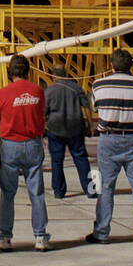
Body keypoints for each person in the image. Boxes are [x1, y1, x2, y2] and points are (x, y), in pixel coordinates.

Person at [86, 48, 133, 245]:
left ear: (111, 64)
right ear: (130, 65)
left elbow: (96, 108)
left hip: (108, 140)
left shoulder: (99, 85)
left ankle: (101, 233)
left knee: (106, 187)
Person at [0, 55, 50, 251]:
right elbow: (41, 114)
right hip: (33, 144)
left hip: (11, 145)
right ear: (28, 71)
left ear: (9, 72)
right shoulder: (38, 91)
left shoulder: (2, 94)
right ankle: (40, 237)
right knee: (37, 193)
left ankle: (5, 237)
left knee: (7, 193)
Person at [45, 63, 96, 199]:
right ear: (66, 74)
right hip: (76, 128)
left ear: (53, 75)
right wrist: (90, 126)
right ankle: (89, 189)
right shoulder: (76, 88)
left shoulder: (49, 91)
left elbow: (43, 112)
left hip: (55, 128)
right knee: (81, 159)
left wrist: (42, 127)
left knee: (57, 161)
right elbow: (86, 107)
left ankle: (59, 191)